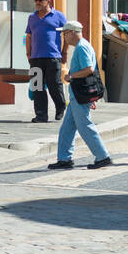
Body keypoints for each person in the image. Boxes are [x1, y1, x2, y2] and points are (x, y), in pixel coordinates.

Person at [47, 21, 113, 170]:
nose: (64, 37)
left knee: (85, 126)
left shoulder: (81, 47)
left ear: (71, 32)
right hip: (79, 94)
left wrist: (71, 76)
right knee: (67, 128)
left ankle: (103, 156)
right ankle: (64, 158)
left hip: (80, 94)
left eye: (64, 33)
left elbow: (89, 69)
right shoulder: (84, 45)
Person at [25, 0, 66, 123]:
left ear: (48, 1)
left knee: (54, 84)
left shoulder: (59, 16)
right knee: (37, 87)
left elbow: (67, 34)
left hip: (53, 57)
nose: (37, 3)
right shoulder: (32, 17)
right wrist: (28, 53)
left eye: (40, 0)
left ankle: (60, 107)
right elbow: (29, 36)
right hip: (36, 58)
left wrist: (64, 52)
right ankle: (41, 115)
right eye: (36, 0)